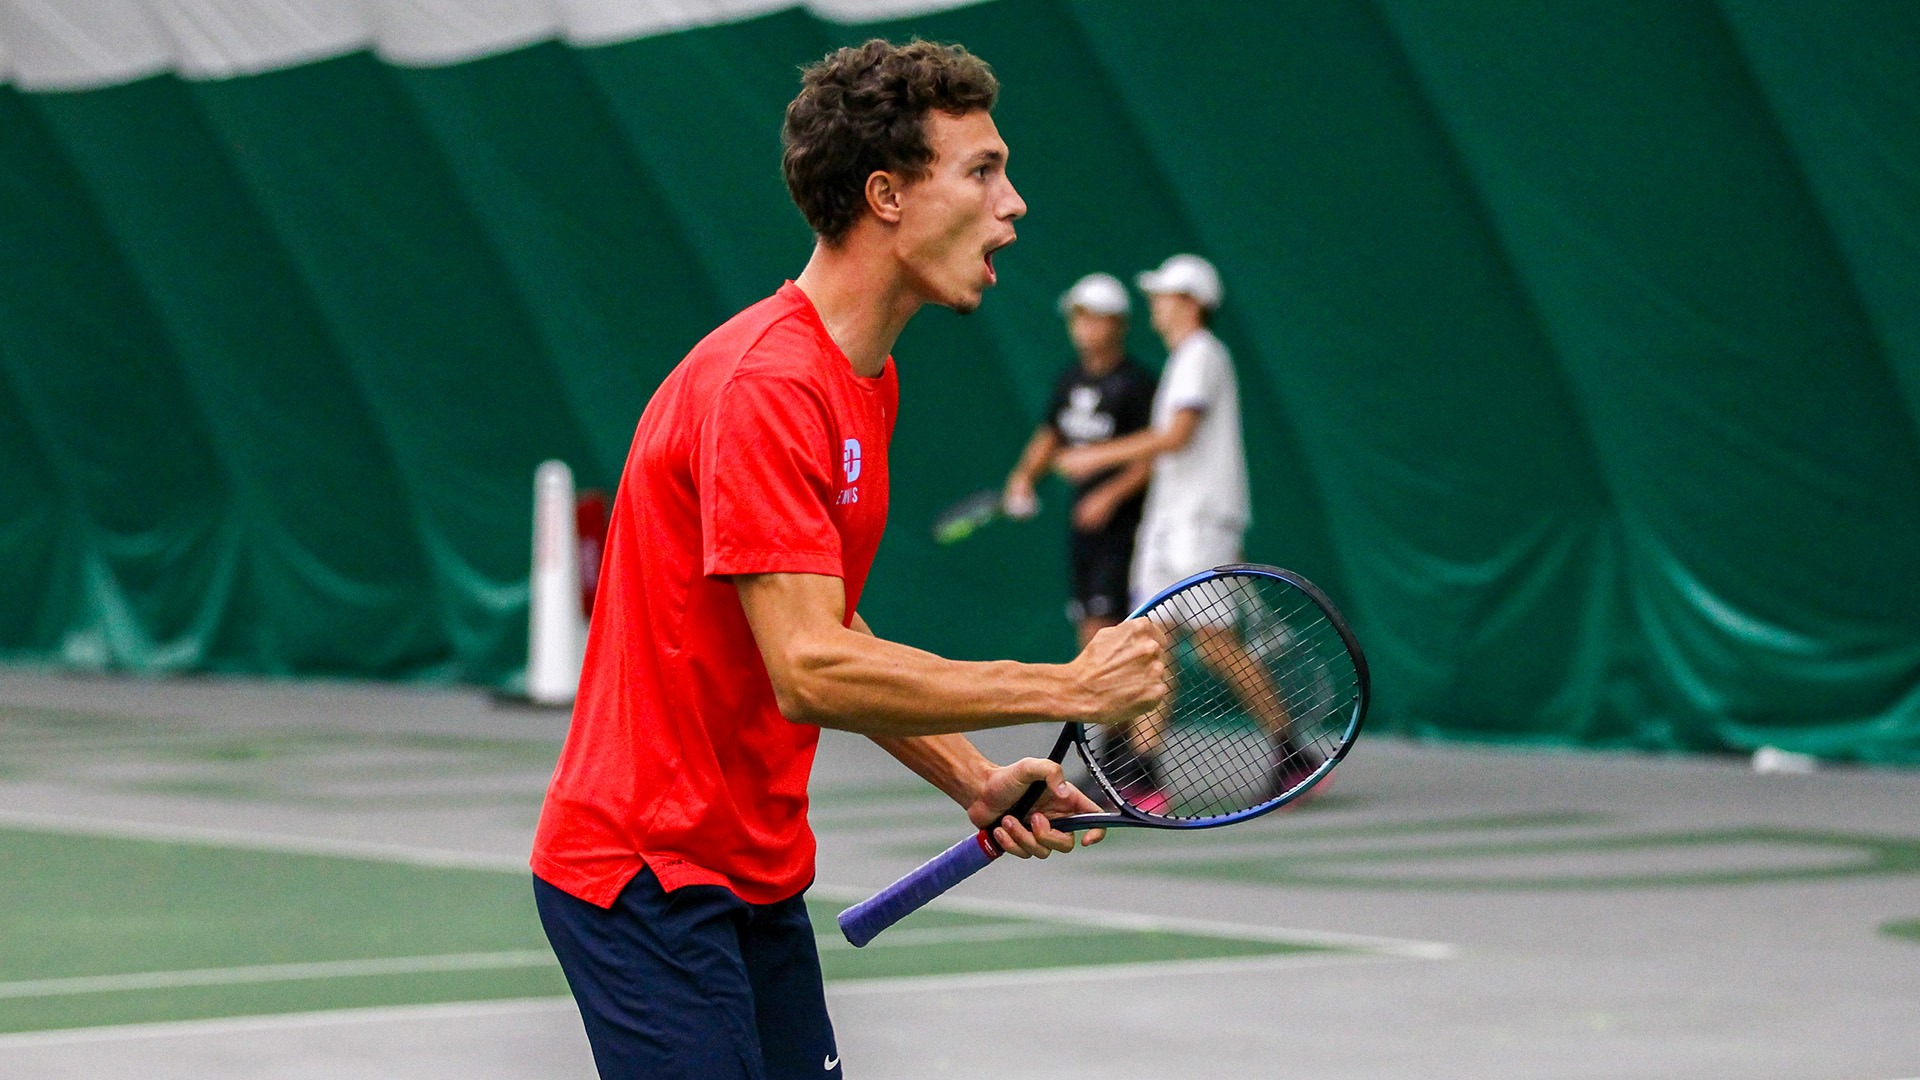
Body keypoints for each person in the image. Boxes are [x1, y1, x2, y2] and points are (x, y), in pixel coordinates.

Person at [529, 40, 1168, 1080]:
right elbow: (808, 667)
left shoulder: (859, 381)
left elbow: (826, 624)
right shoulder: (769, 386)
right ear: (886, 195)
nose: (1013, 205)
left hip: (751, 869)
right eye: (981, 170)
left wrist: (970, 775)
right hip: (646, 875)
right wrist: (1068, 685)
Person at [1054, 254, 1316, 803]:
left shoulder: (1202, 354)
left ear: (1191, 304)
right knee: (1152, 644)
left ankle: (1293, 753)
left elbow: (1176, 436)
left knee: (1217, 646)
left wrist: (1096, 458)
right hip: (1168, 525)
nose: (1155, 306)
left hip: (1201, 523)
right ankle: (1141, 772)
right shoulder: (1181, 360)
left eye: (1164, 296)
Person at [1001, 273, 1156, 649]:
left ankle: (1104, 705)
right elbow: (1050, 435)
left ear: (1117, 324)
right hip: (1084, 529)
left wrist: (1110, 496)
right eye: (1076, 317)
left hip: (1129, 529)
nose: (1082, 327)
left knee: (1107, 630)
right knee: (1087, 625)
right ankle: (1098, 705)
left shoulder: (1138, 385)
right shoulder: (1069, 380)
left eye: (1093, 317)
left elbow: (1154, 455)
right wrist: (1023, 478)